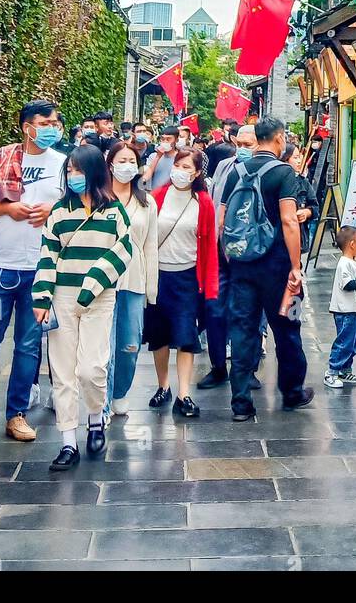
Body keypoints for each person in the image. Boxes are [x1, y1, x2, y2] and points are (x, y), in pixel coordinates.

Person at [0, 100, 65, 444]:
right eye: (44, 122)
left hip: (41, 269)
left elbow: (79, 207)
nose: (51, 127)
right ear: (26, 126)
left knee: (28, 344)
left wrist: (52, 209)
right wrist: (9, 209)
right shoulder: (1, 159)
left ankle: (16, 413)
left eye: (55, 122)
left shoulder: (64, 165)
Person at [32, 143, 132, 471]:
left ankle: (95, 419)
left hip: (99, 300)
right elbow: (48, 256)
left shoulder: (114, 211)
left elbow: (123, 250)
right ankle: (67, 442)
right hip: (61, 298)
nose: (73, 175)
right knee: (62, 374)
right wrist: (41, 298)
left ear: (93, 172)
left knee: (92, 369)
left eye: (78, 170)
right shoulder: (59, 212)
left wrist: (92, 285)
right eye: (69, 170)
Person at [222, 115, 313, 421]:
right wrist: (296, 266)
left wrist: (232, 258)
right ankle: (292, 391)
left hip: (242, 265)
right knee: (287, 327)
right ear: (278, 139)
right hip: (277, 266)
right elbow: (289, 220)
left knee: (243, 329)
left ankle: (241, 402)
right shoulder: (283, 172)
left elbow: (224, 221)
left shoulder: (236, 172)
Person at [144, 146, 218, 417]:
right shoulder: (156, 198)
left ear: (197, 172)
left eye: (188, 167)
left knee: (187, 336)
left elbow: (210, 245)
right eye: (178, 165)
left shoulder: (203, 202)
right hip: (159, 276)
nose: (181, 171)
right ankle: (163, 385)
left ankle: (184, 393)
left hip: (188, 277)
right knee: (159, 336)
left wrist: (210, 287)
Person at [199, 124, 257, 389]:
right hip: (220, 250)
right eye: (240, 144)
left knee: (248, 314)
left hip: (250, 253)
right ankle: (218, 366)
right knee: (214, 309)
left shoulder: (264, 169)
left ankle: (247, 370)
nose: (243, 149)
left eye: (249, 144)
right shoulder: (224, 166)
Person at [104, 139, 158, 416]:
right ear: (110, 164)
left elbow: (151, 244)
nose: (126, 166)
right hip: (101, 280)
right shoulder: (98, 198)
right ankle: (101, 402)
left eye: (131, 161)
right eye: (121, 160)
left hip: (134, 278)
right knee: (102, 343)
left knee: (129, 342)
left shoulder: (146, 202)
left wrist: (152, 288)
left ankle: (120, 391)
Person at [325, 226, 356, 388]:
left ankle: (345, 370)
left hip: (353, 309)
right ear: (352, 244)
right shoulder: (344, 264)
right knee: (344, 341)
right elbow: (349, 284)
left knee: (353, 341)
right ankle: (332, 371)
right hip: (345, 311)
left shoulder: (351, 263)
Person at [143, 125, 179, 192]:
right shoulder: (153, 156)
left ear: (176, 140)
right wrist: (158, 156)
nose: (165, 141)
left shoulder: (180, 157)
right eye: (162, 139)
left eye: (168, 139)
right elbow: (146, 176)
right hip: (155, 195)